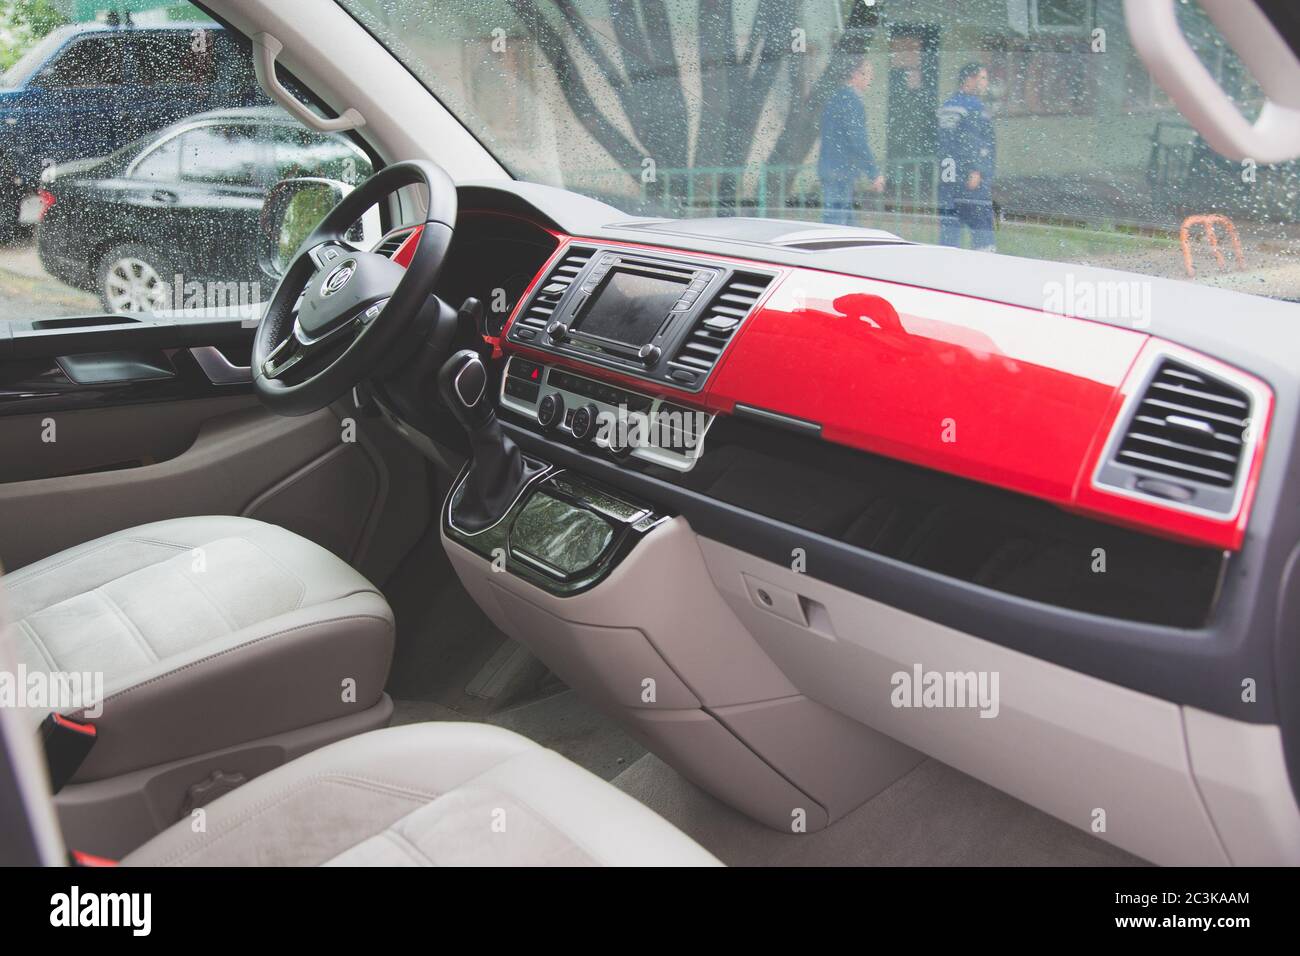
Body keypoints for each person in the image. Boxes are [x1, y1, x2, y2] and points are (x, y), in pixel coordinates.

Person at [818, 57, 885, 226]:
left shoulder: (835, 98)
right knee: (837, 226)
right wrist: (874, 173)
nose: (870, 79)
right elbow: (857, 141)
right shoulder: (852, 102)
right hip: (841, 171)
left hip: (831, 168)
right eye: (868, 74)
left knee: (845, 224)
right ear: (856, 75)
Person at [937, 62, 996, 251]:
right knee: (982, 228)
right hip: (971, 180)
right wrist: (976, 169)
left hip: (947, 177)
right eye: (983, 78)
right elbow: (971, 141)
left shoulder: (947, 106)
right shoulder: (974, 107)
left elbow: (944, 144)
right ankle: (985, 265)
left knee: (950, 228)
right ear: (970, 79)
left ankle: (947, 266)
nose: (986, 83)